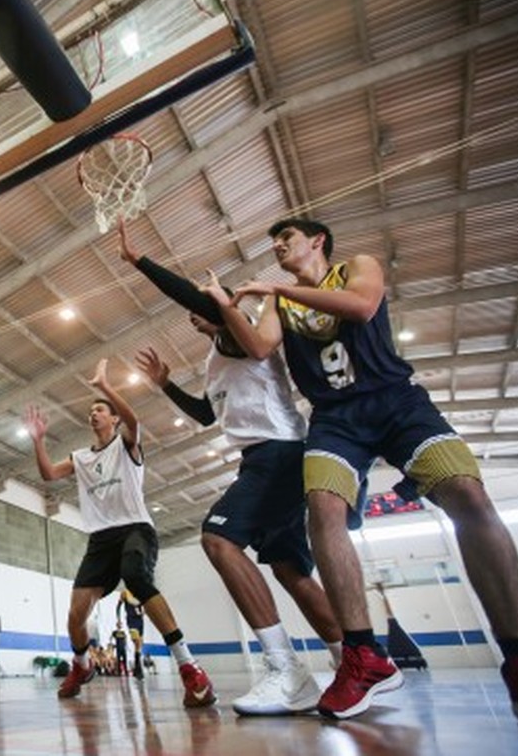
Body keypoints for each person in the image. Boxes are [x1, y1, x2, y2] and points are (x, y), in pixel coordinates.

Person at [218, 217, 518, 722]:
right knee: (323, 507)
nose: (276, 247)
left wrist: (276, 288)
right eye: (273, 242)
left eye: (285, 239)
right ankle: (363, 657)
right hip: (336, 418)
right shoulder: (281, 300)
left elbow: (361, 305)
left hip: (397, 403)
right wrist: (229, 310)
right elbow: (259, 346)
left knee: (469, 496)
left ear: (317, 241)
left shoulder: (358, 266)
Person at [118, 221, 344, 715]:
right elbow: (205, 414)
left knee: (218, 538)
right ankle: (352, 660)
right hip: (268, 457)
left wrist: (141, 262)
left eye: (205, 308)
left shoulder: (237, 338)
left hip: (277, 454)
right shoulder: (219, 360)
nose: (196, 315)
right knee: (290, 570)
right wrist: (164, 385)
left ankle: (286, 669)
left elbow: (202, 304)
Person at [25, 359, 216, 706]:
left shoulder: (126, 445)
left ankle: (189, 666)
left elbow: (134, 421)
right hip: (100, 539)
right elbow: (50, 474)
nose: (94, 414)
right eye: (92, 411)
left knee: (135, 576)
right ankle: (82, 666)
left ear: (112, 419)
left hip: (135, 528)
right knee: (75, 615)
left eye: (100, 410)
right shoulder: (81, 457)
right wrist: (38, 440)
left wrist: (104, 386)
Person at [115, 589, 146, 679]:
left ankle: (137, 667)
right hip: (131, 620)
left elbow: (144, 605)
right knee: (136, 641)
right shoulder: (125, 592)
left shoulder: (140, 592)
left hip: (140, 620)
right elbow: (118, 606)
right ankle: (138, 667)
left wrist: (143, 611)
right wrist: (118, 619)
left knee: (140, 644)